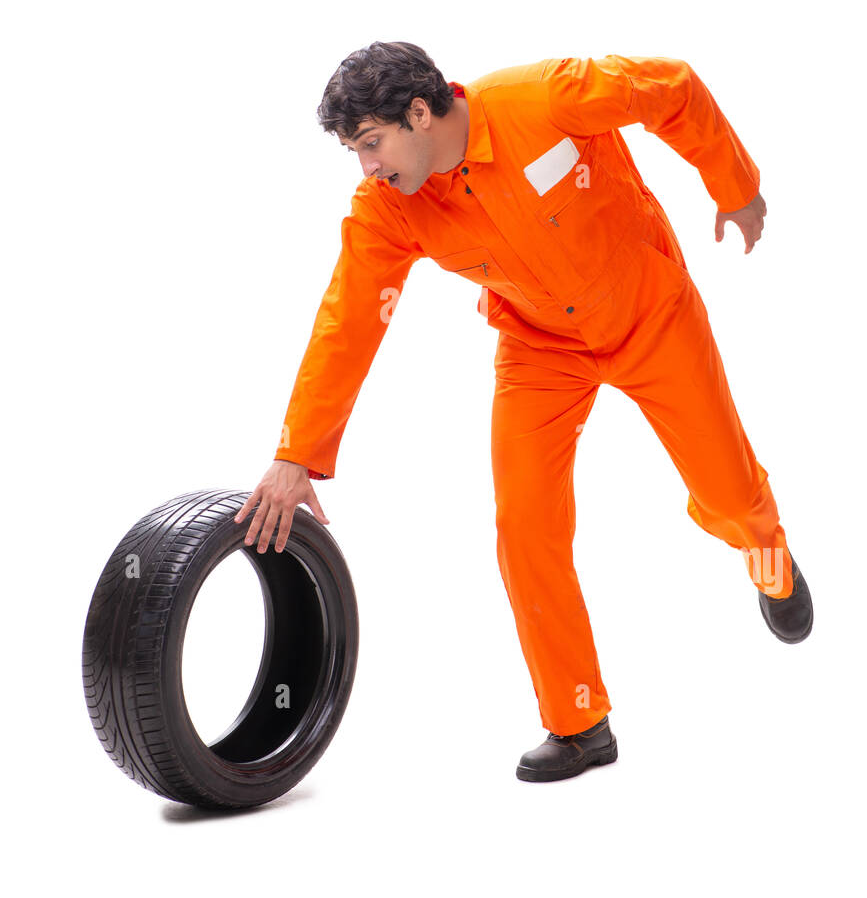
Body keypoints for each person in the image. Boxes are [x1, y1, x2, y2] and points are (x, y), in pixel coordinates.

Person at [235, 40, 813, 784]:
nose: (368, 167)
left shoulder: (545, 98)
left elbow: (670, 86)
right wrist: (295, 454)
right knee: (525, 526)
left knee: (729, 491)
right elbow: (348, 319)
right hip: (539, 349)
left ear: (419, 112)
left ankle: (769, 563)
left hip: (649, 315)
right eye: (355, 151)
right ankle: (578, 722)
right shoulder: (389, 209)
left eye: (371, 144)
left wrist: (731, 184)